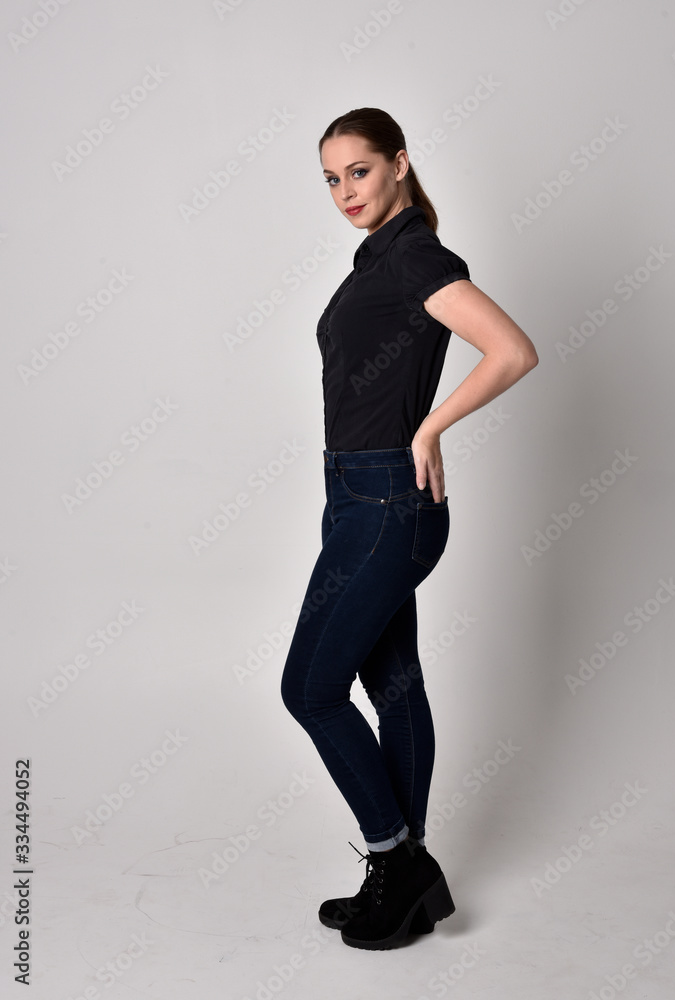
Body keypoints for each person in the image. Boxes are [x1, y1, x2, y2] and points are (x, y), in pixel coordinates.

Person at [280, 107, 538, 950]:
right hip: (358, 497)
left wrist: (427, 430)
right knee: (393, 685)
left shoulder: (415, 252)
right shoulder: (377, 259)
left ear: (397, 163)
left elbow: (509, 349)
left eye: (358, 170)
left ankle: (399, 862)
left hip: (390, 500)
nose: (343, 191)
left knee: (311, 689)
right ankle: (405, 879)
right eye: (330, 178)